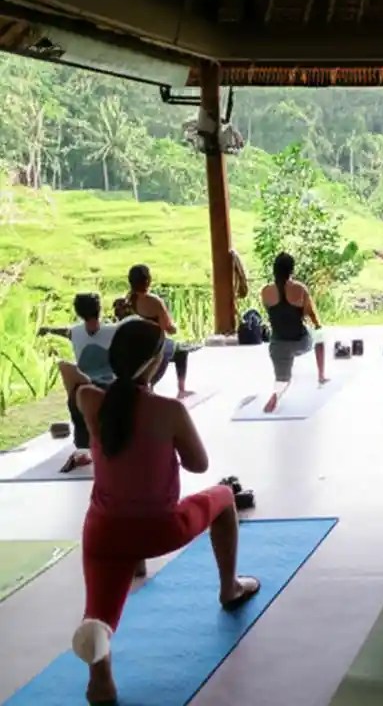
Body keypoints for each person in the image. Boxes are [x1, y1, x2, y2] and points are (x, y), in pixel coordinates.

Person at [59, 319, 258, 704]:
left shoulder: (91, 401)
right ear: (153, 365)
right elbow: (199, 465)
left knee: (99, 613)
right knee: (222, 496)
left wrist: (90, 379)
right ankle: (229, 588)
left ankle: (101, 680)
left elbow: (71, 373)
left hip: (104, 533)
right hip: (160, 529)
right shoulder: (168, 410)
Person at [39, 293, 134, 471]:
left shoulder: (74, 332)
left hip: (88, 388)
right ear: (99, 310)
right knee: (70, 371)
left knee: (68, 371)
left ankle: (84, 444)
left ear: (78, 312)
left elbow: (61, 331)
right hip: (104, 385)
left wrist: (45, 329)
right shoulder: (115, 331)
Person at [261, 253, 328, 413]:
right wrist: (317, 326)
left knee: (282, 379)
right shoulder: (299, 289)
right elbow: (312, 316)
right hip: (301, 342)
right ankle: (321, 375)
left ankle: (275, 397)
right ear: (292, 269)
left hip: (277, 346)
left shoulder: (265, 291)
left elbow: (273, 314)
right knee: (320, 336)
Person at [119, 264, 196, 399]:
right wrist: (174, 327)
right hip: (154, 346)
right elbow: (168, 328)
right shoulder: (154, 302)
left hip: (132, 346)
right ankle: (181, 389)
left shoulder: (126, 302)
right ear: (148, 281)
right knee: (181, 351)